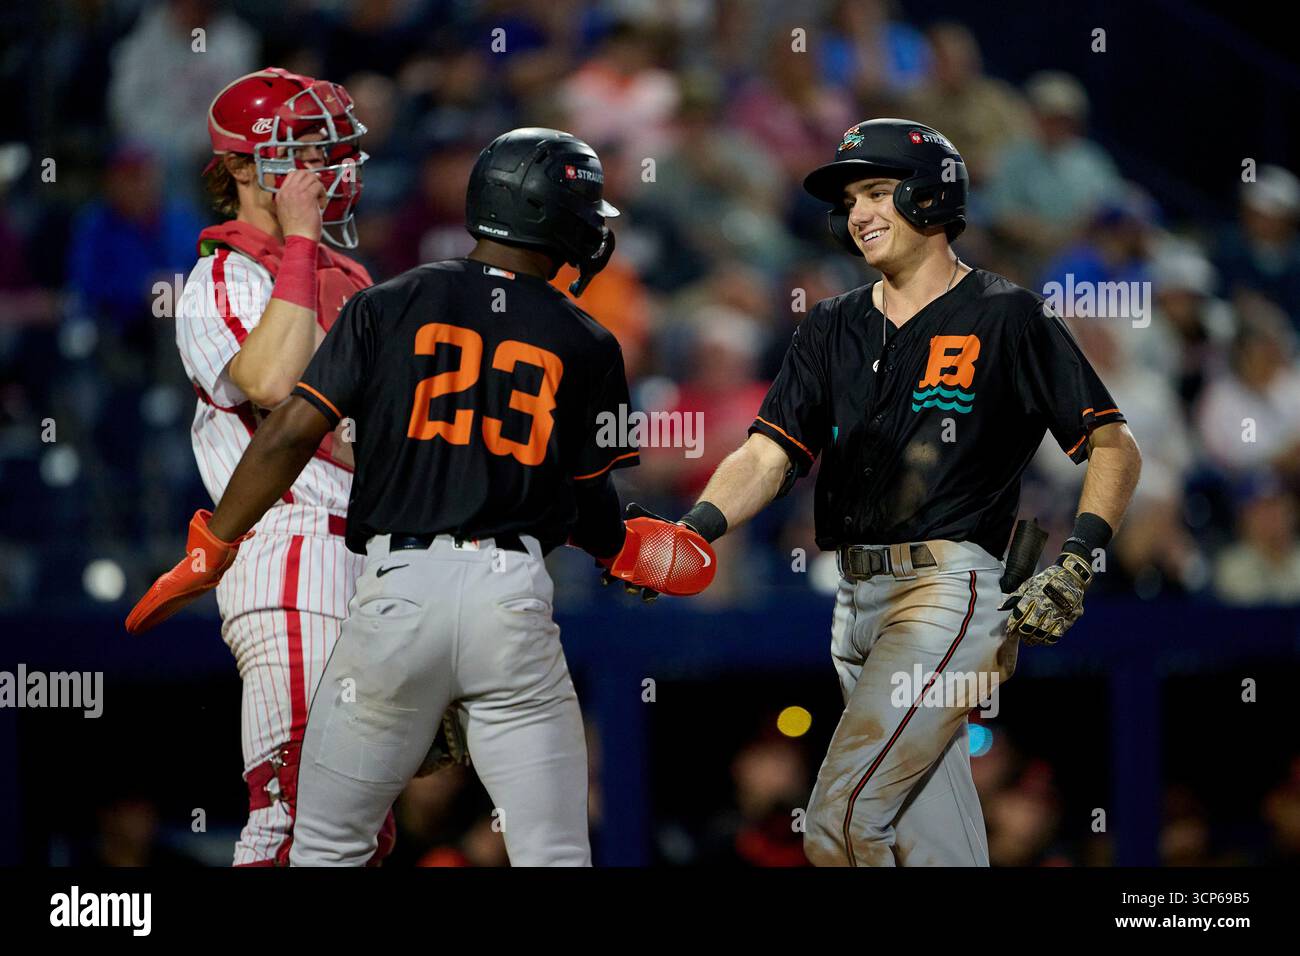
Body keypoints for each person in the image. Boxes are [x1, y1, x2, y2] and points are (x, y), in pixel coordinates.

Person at [126, 128, 714, 865]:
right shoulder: (589, 341)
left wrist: (215, 545)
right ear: (556, 216)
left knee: (323, 845)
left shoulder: (390, 302)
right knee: (554, 852)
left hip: (393, 596)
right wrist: (629, 548)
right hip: (513, 604)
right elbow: (587, 500)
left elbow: (284, 435)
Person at [640, 119, 1142, 866]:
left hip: (950, 589)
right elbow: (769, 452)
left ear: (932, 195)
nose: (858, 213)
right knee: (934, 847)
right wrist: (698, 525)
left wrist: (1076, 561)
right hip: (854, 600)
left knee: (840, 824)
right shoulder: (832, 325)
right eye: (850, 199)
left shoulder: (1007, 314)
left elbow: (1112, 442)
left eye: (876, 191)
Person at [130, 67, 383, 866]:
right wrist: (302, 239)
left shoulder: (354, 278)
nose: (329, 169)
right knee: (292, 817)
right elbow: (275, 384)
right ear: (243, 168)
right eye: (306, 151)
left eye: (333, 149)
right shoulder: (219, 277)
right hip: (292, 551)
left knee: (360, 834)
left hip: (375, 557)